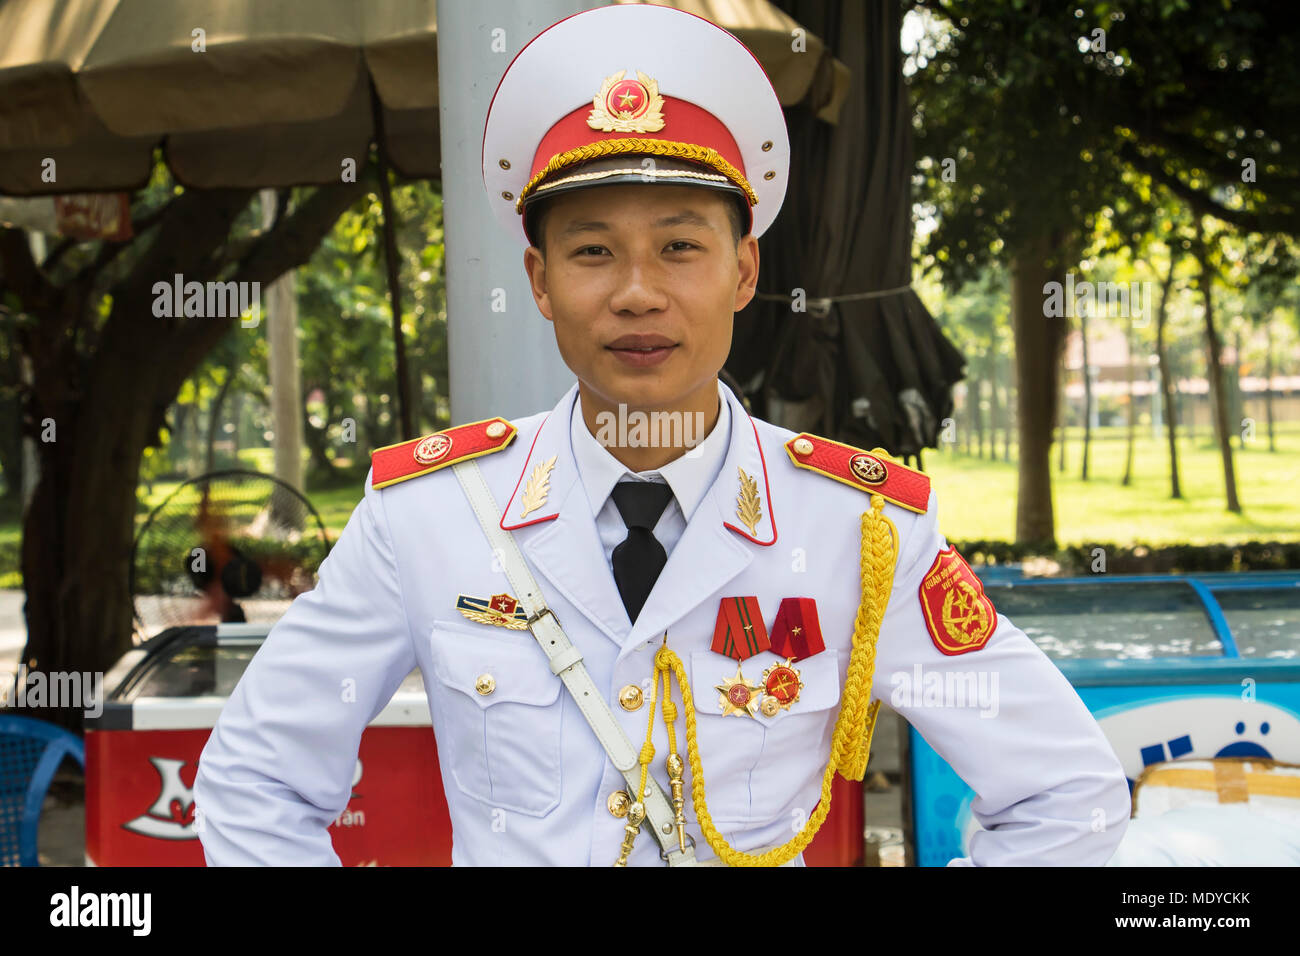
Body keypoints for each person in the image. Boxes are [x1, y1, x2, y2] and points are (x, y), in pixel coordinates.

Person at [194, 3, 1130, 866]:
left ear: (744, 269)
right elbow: (254, 781)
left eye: (680, 246)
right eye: (593, 250)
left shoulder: (856, 528)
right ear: (539, 279)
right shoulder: (434, 515)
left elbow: (1068, 793)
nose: (637, 290)